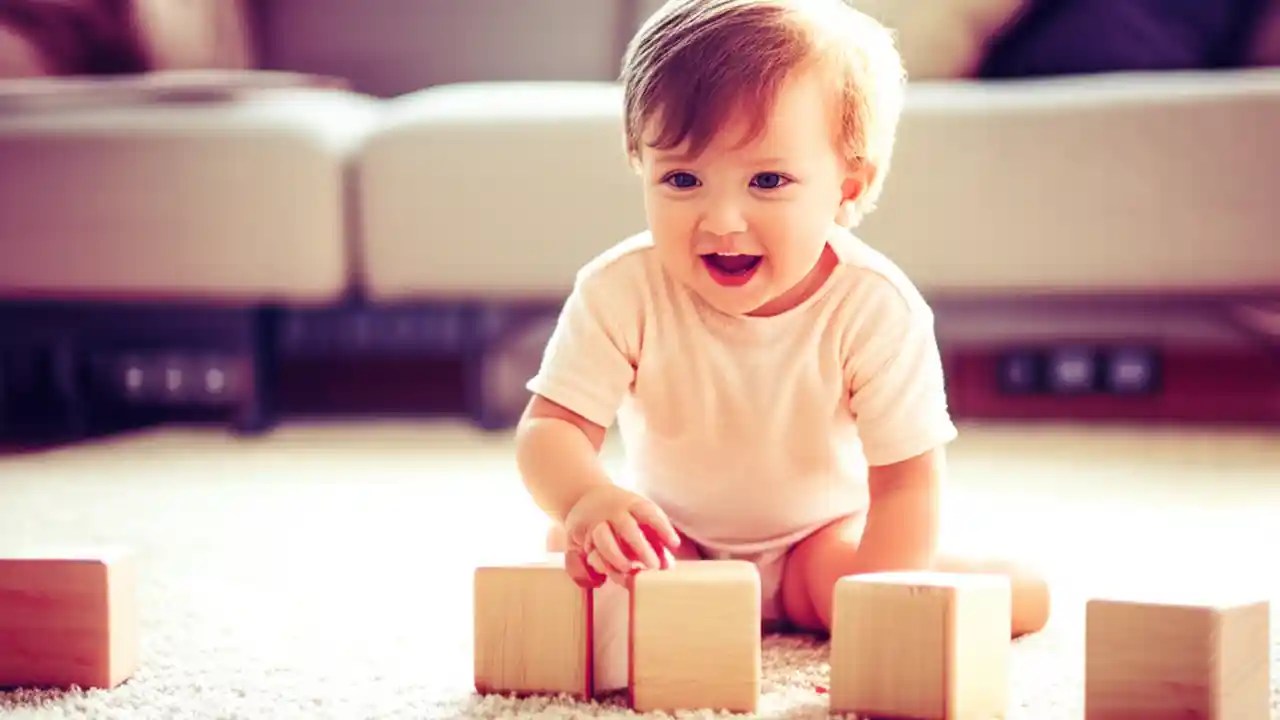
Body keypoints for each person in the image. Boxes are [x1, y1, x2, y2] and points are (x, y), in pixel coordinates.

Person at [514, 0, 1050, 639]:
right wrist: (587, 499)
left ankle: (996, 580)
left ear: (848, 188)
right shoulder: (620, 289)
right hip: (674, 538)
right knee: (585, 561)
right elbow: (550, 430)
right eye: (682, 179)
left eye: (767, 181)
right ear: (641, 167)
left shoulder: (874, 306)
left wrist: (881, 603)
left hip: (818, 543)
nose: (722, 221)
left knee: (906, 597)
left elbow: (907, 483)